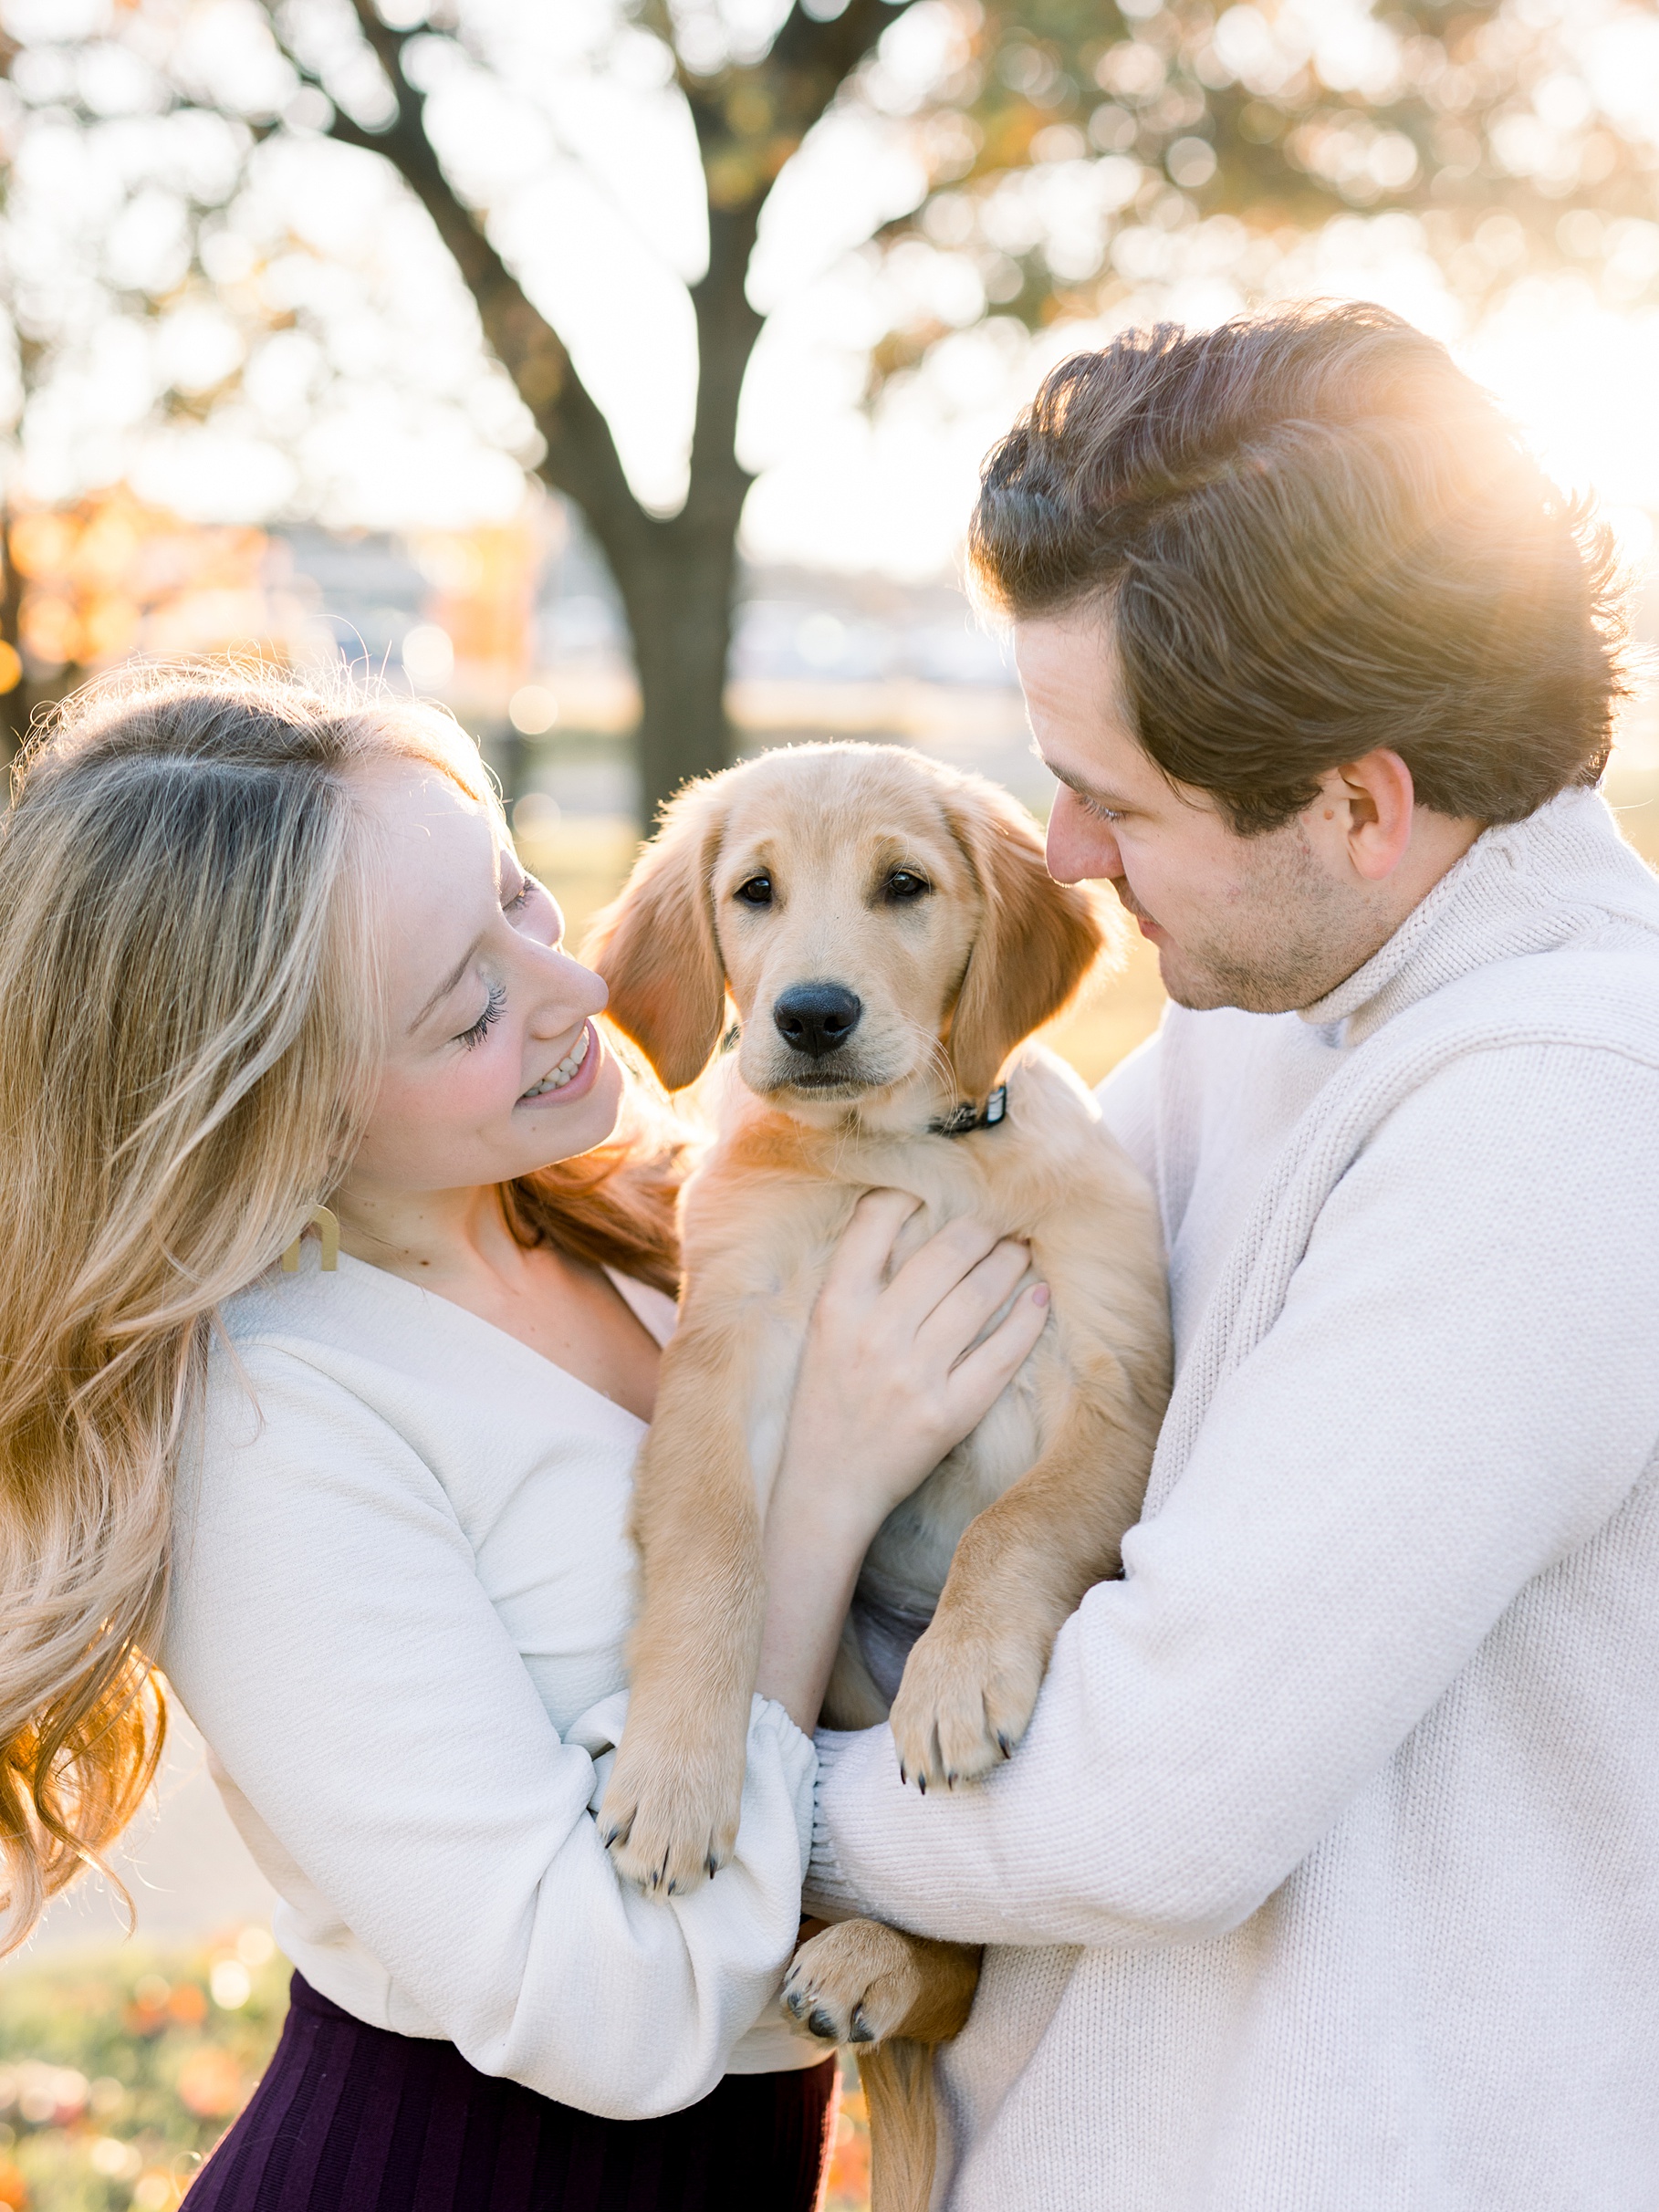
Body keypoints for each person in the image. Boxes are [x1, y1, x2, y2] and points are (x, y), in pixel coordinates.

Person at [806, 302, 1659, 2208]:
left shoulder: (1567, 1116)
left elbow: (1162, 1787)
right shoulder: (1280, 995)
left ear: (1359, 806)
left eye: (1113, 800)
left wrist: (747, 1805)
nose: (1064, 855)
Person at [0, 668, 1048, 2210]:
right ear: (274, 1098)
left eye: (518, 901)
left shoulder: (638, 1222)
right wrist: (815, 1496)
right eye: (467, 1006)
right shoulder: (277, 1424)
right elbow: (606, 2014)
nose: (573, 996)